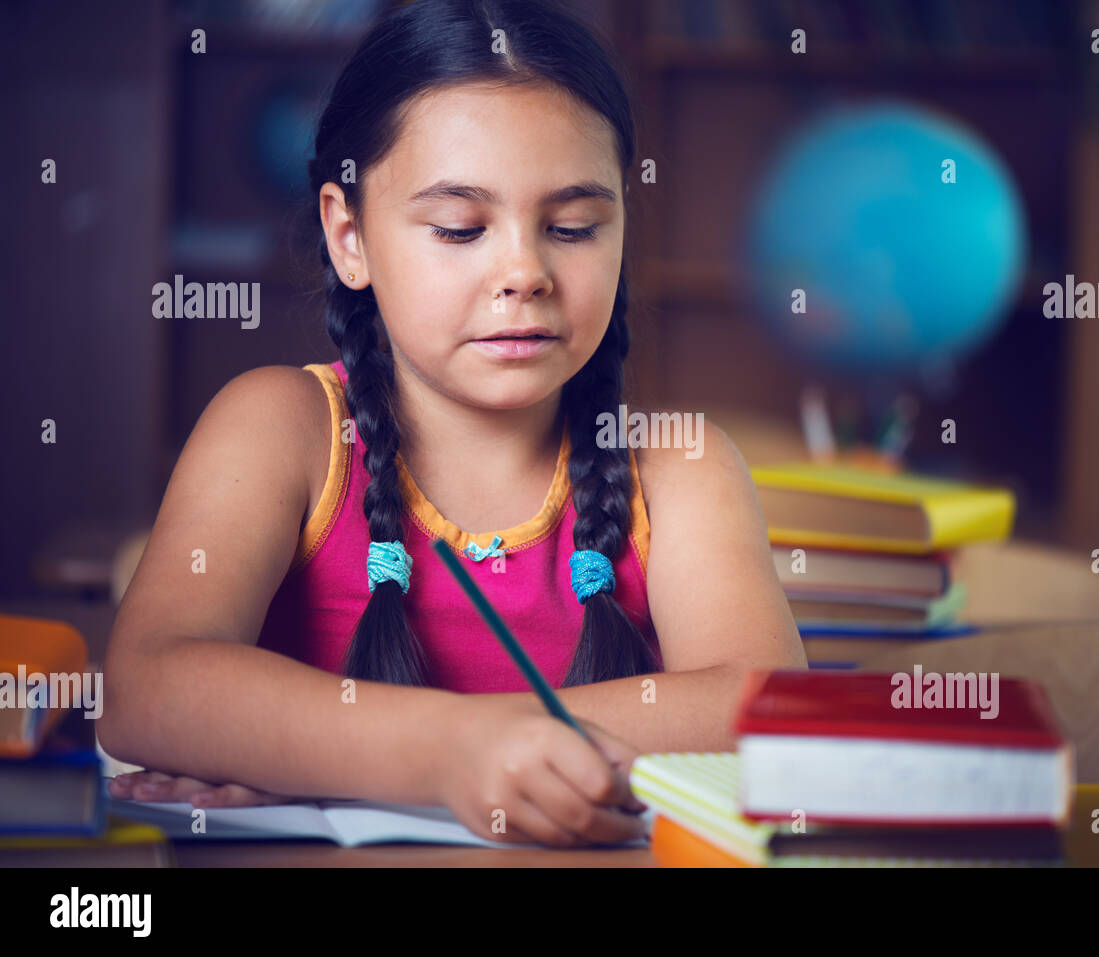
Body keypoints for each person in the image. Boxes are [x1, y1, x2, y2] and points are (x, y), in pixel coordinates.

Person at [100, 0, 805, 848]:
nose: (525, 271)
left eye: (574, 227)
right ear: (348, 234)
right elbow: (147, 688)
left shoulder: (677, 464)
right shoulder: (283, 427)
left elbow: (763, 708)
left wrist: (345, 748)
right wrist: (452, 754)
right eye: (460, 228)